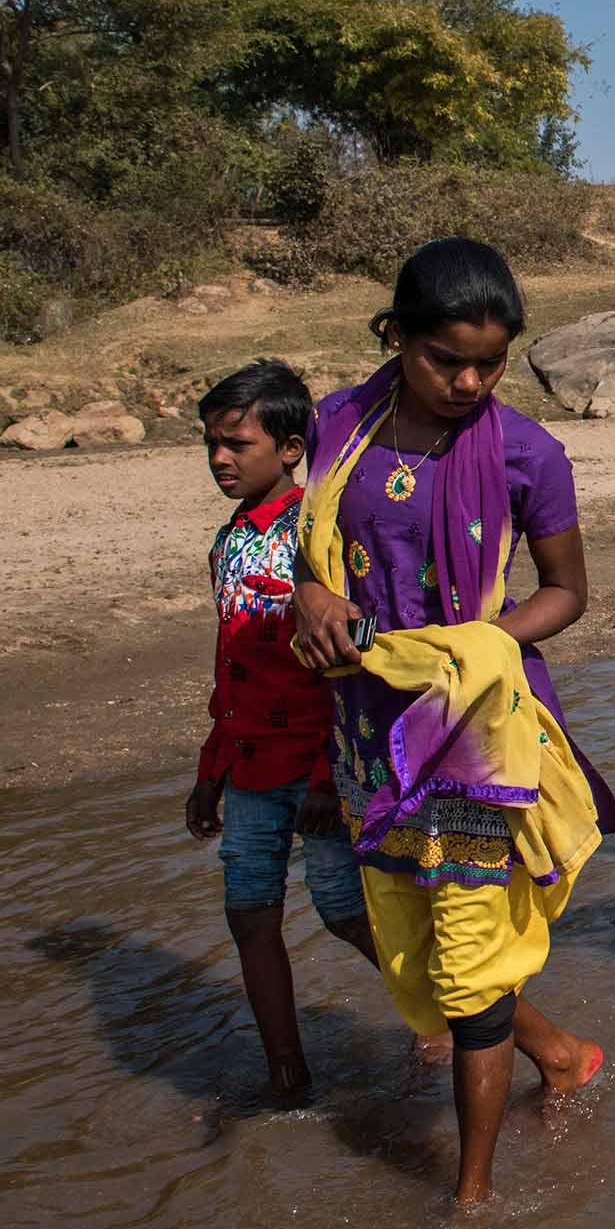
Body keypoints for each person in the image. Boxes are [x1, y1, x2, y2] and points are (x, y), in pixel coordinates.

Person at [290, 237, 615, 1204]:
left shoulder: (528, 453)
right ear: (397, 337)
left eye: (491, 362)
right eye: (446, 359)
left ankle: (469, 1204)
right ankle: (561, 1056)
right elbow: (308, 553)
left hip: (474, 735)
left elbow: (566, 593)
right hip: (365, 728)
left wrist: (478, 644)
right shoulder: (336, 428)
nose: (470, 380)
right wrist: (312, 597)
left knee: (473, 967)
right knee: (415, 938)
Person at [190, 359, 401, 1094]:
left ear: (288, 448)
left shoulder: (319, 538)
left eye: (237, 444)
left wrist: (323, 774)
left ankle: (460, 1023)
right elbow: (232, 664)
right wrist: (209, 767)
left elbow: (342, 668)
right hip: (249, 767)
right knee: (249, 915)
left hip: (320, 768)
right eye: (212, 443)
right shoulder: (227, 543)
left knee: (346, 915)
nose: (220, 458)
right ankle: (286, 1074)